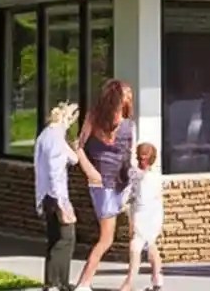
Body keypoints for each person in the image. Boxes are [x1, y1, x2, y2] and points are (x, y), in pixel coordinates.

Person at [73, 79, 136, 291]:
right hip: (103, 184)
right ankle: (84, 283)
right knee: (106, 239)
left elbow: (130, 155)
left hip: (123, 183)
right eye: (126, 94)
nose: (129, 97)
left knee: (140, 234)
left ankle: (137, 281)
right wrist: (89, 170)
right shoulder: (94, 118)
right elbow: (78, 146)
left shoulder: (128, 123)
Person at [34, 101, 81, 291]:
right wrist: (62, 204)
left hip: (45, 195)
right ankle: (57, 283)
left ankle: (54, 282)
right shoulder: (56, 138)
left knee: (55, 238)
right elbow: (55, 171)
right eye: (70, 120)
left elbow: (73, 159)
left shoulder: (45, 135)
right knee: (66, 238)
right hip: (56, 195)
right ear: (64, 119)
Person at [119, 142, 165, 291]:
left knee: (135, 246)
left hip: (148, 216)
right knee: (150, 245)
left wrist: (133, 221)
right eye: (139, 157)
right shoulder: (137, 174)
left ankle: (128, 284)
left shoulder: (151, 177)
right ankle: (157, 278)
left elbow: (142, 201)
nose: (141, 161)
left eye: (144, 158)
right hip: (146, 214)